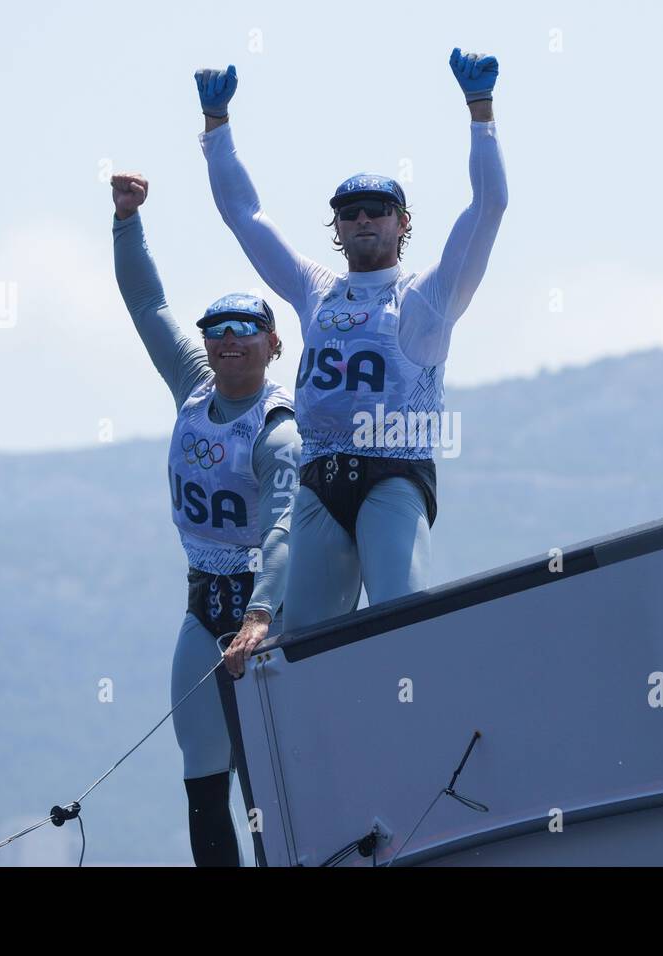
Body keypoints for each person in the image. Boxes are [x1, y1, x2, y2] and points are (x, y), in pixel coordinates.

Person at [193, 48, 508, 629]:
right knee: (302, 644)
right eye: (349, 211)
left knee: (397, 624)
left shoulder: (427, 298)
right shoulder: (316, 290)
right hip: (320, 479)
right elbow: (245, 215)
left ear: (402, 222)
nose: (363, 219)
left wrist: (480, 110)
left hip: (394, 475)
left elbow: (488, 207)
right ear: (337, 227)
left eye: (378, 209)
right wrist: (217, 127)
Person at [111, 171, 300, 866]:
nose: (226, 343)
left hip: (265, 618)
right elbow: (147, 305)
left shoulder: (278, 430)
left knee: (269, 784)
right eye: (216, 333)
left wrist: (258, 619)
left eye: (244, 333)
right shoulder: (192, 386)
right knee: (201, 777)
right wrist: (127, 219)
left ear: (271, 344)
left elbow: (283, 525)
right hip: (200, 610)